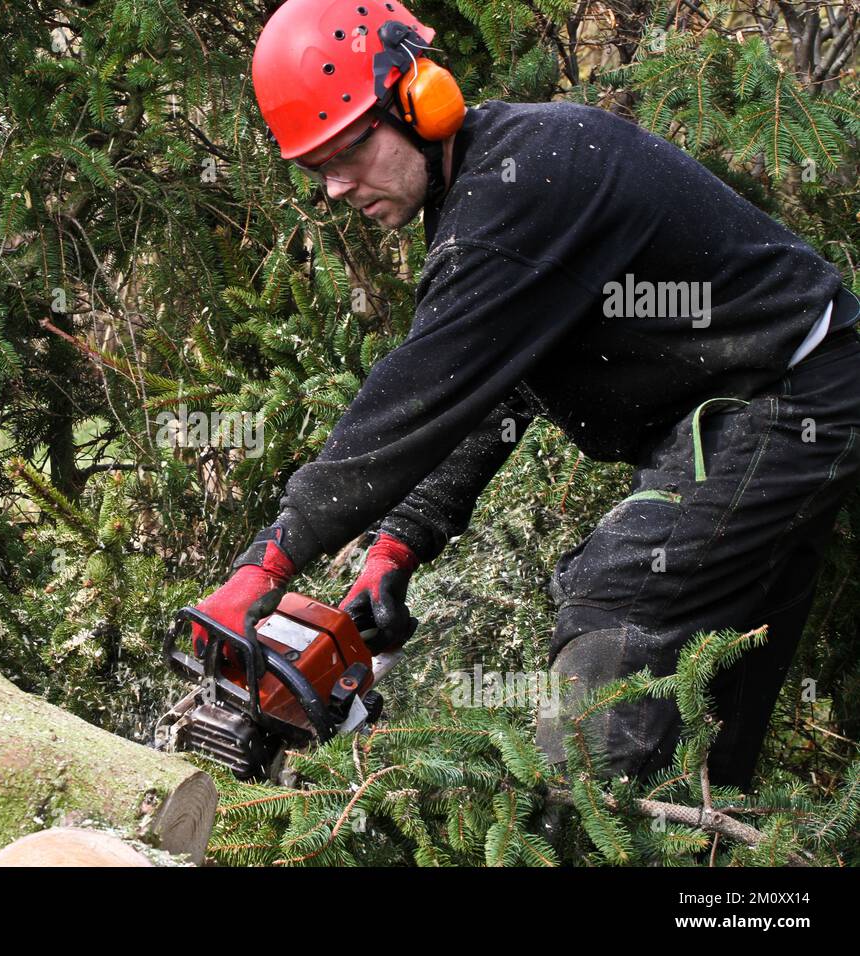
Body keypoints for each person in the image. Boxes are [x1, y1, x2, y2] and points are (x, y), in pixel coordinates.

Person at [192, 0, 860, 790]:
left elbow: (417, 392)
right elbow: (494, 388)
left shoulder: (519, 190)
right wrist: (398, 543)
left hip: (785, 397)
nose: (336, 187)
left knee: (620, 599)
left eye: (347, 153)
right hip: (778, 398)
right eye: (317, 169)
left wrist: (266, 563)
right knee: (709, 707)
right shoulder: (489, 194)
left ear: (418, 99)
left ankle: (581, 827)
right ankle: (711, 852)